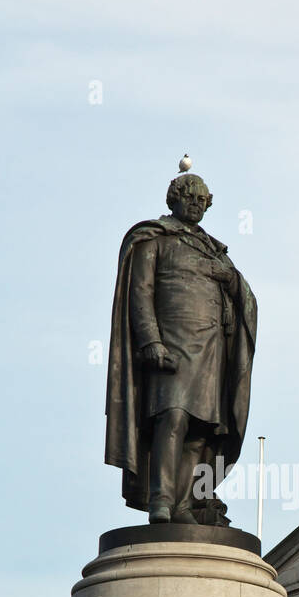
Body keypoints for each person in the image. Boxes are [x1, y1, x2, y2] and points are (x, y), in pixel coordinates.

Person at [105, 168, 257, 524]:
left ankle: (185, 504)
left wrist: (232, 279)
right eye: (189, 197)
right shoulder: (154, 239)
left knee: (200, 430)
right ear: (173, 199)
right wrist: (151, 341)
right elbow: (140, 292)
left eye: (201, 199)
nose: (195, 204)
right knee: (171, 417)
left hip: (212, 349)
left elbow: (245, 298)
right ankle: (160, 499)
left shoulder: (216, 251)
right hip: (172, 344)